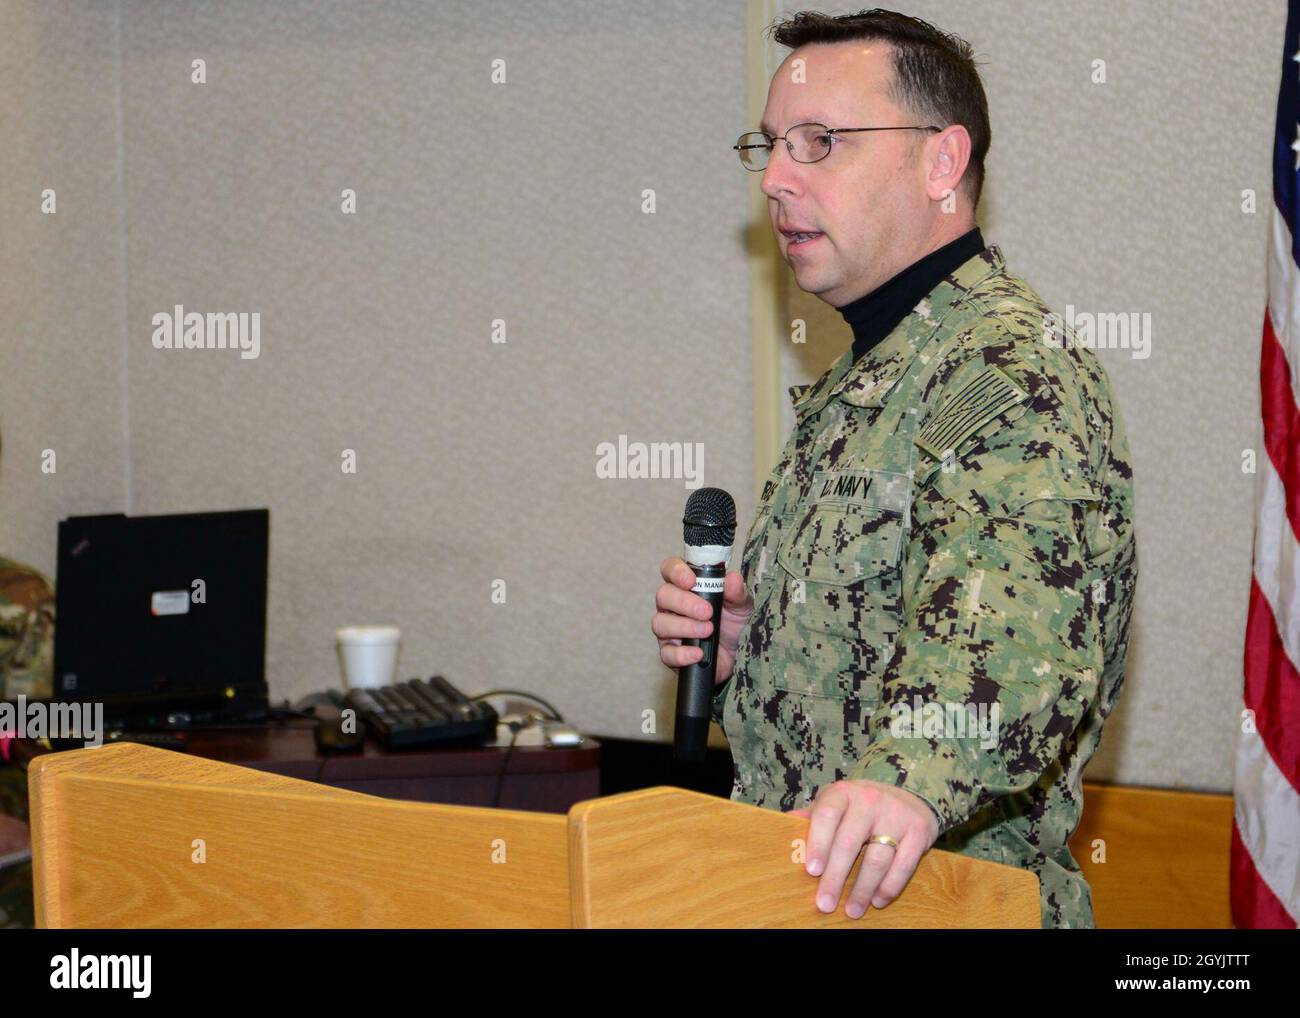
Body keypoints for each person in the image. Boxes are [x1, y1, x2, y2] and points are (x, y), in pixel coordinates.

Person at [652, 8, 1137, 929]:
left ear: (940, 163)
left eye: (821, 143)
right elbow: (874, 657)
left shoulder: (1003, 370)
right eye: (770, 145)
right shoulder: (876, 375)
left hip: (948, 912)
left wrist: (910, 782)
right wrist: (751, 654)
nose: (778, 180)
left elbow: (1009, 648)